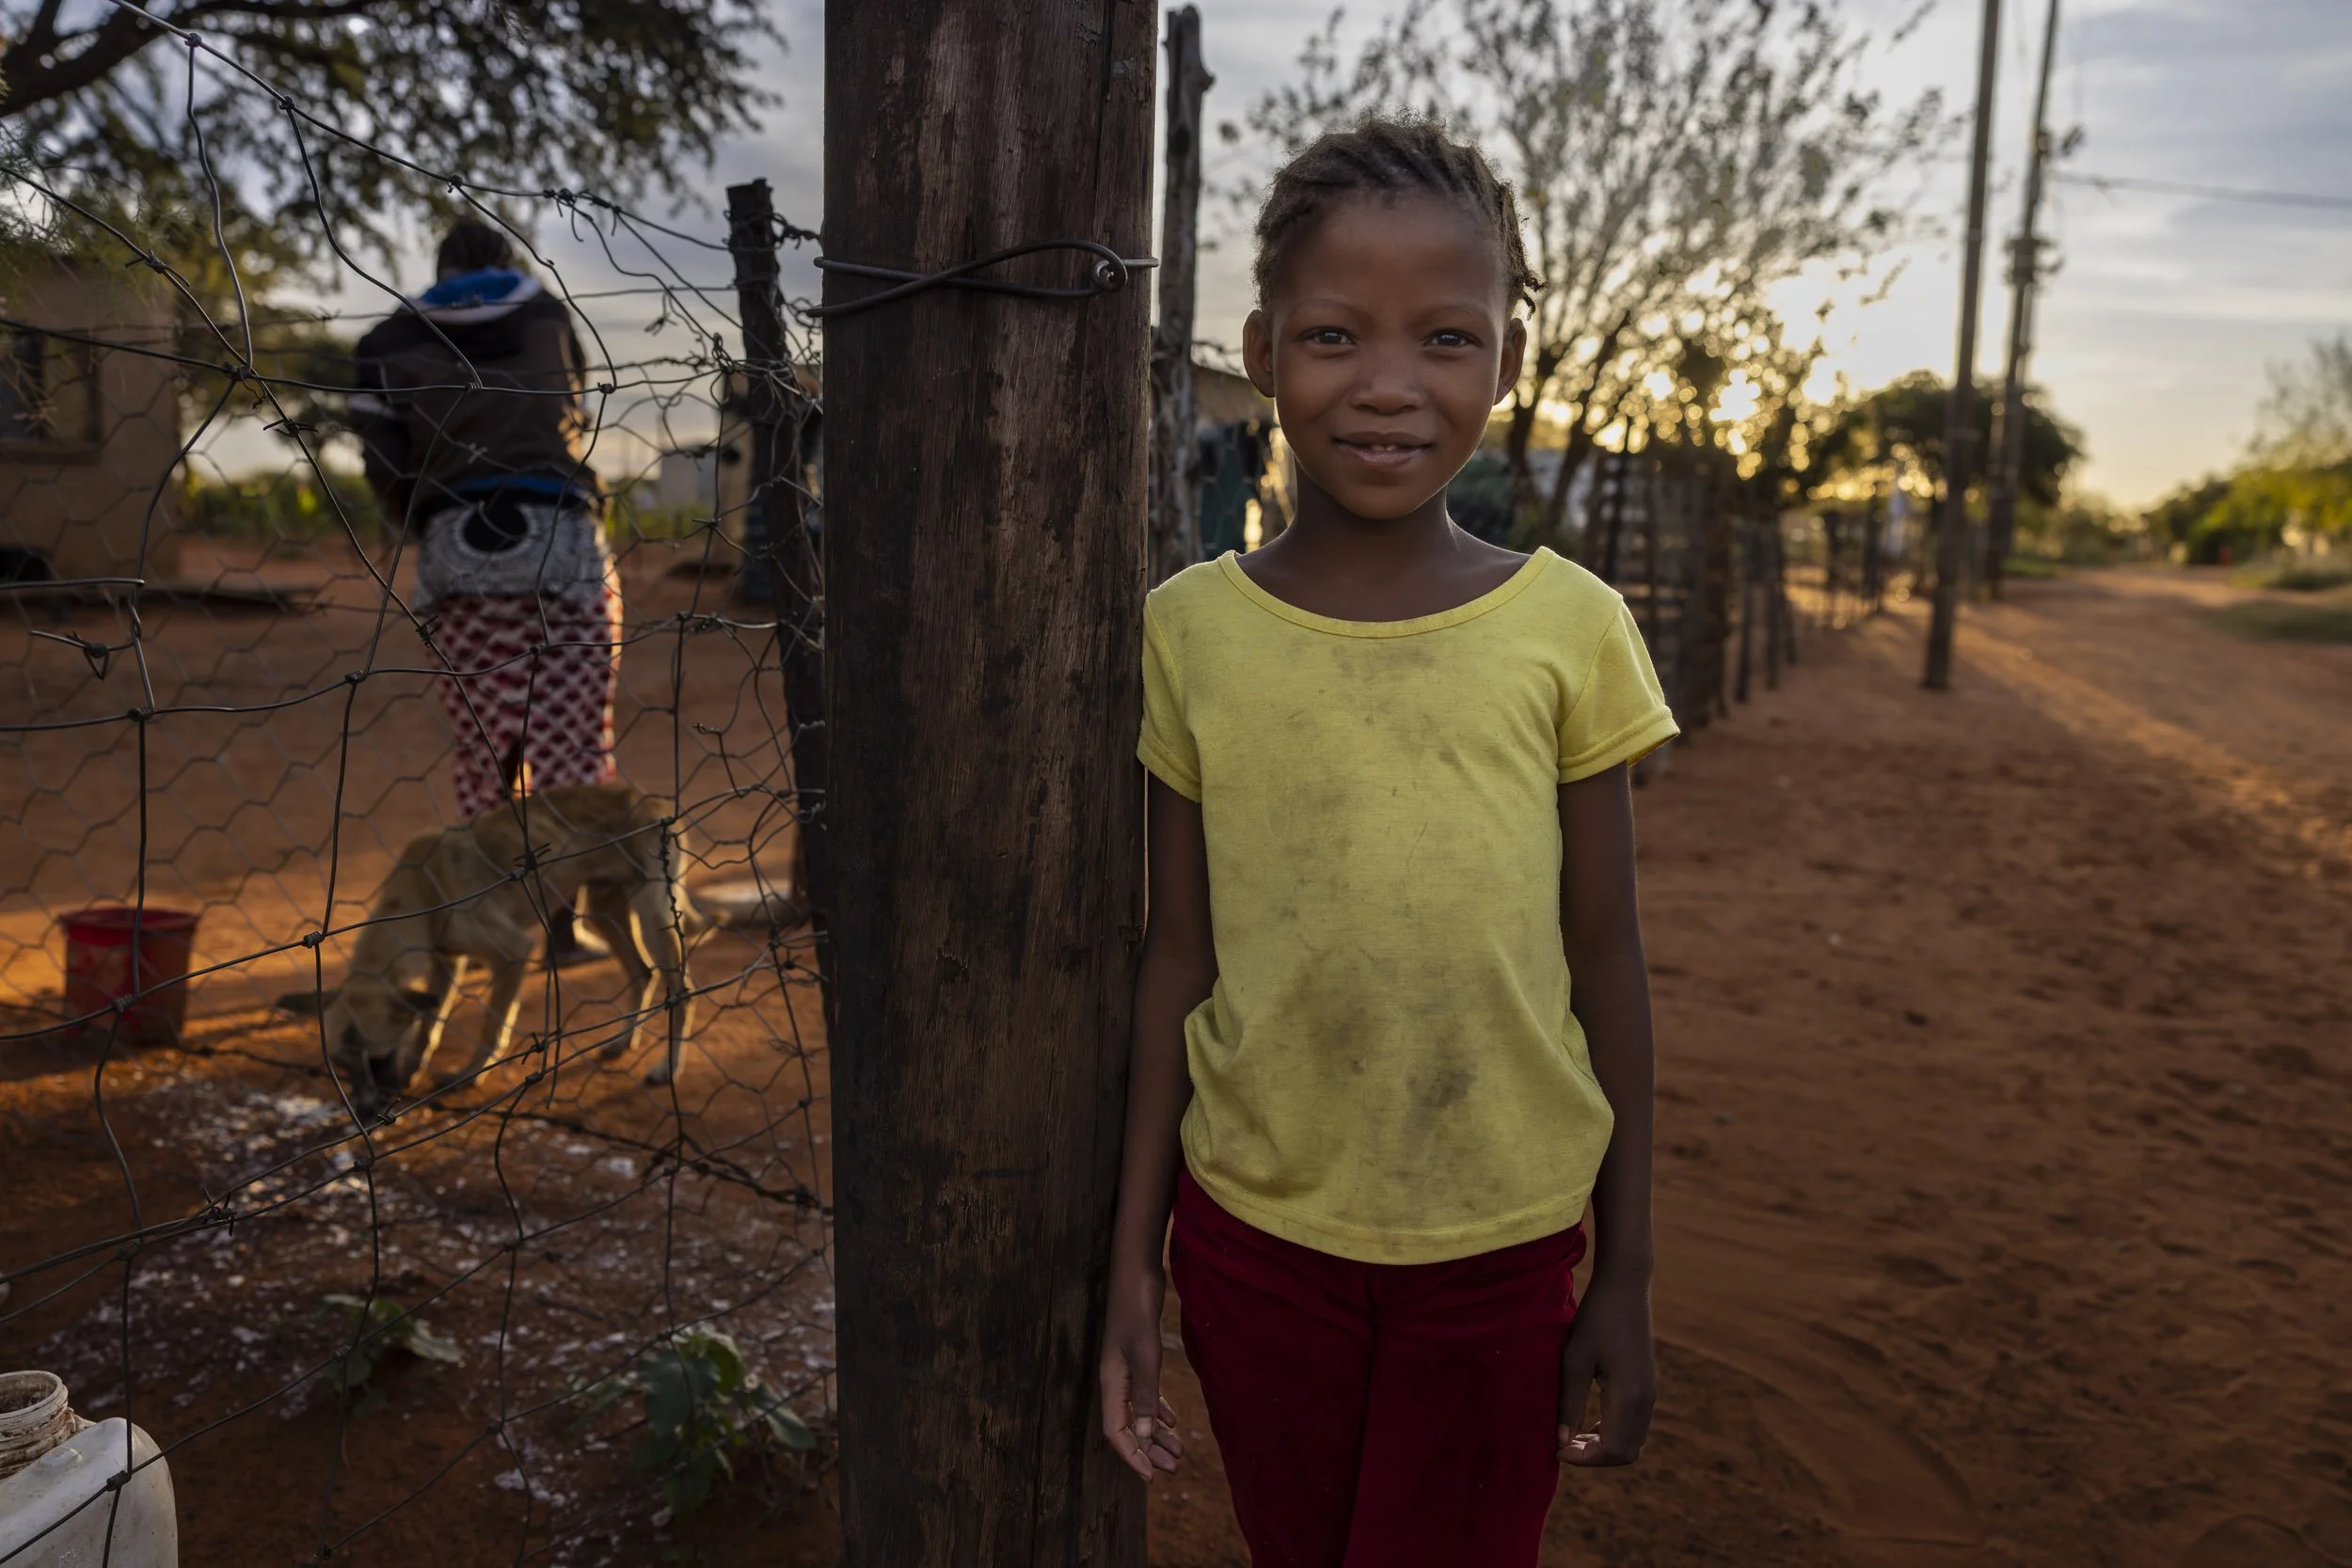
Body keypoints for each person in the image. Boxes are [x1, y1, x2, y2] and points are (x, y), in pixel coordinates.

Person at [1098, 119, 1679, 1566]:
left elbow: (1606, 957)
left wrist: (1627, 1271)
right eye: (1338, 334)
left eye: (1445, 338)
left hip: (1501, 1241)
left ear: (1508, 358)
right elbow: (1180, 952)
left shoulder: (1568, 626)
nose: (1389, 386)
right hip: (1253, 1242)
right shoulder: (1191, 632)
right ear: (1264, 343)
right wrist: (1131, 1264)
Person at [351, 219, 618, 965]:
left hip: (454, 548)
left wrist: (427, 514)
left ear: (439, 269)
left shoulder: (385, 342)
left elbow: (383, 460)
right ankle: (564, 928)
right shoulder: (549, 316)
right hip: (559, 539)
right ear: (509, 263)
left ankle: (491, 918)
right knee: (568, 744)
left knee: (485, 748)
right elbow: (574, 409)